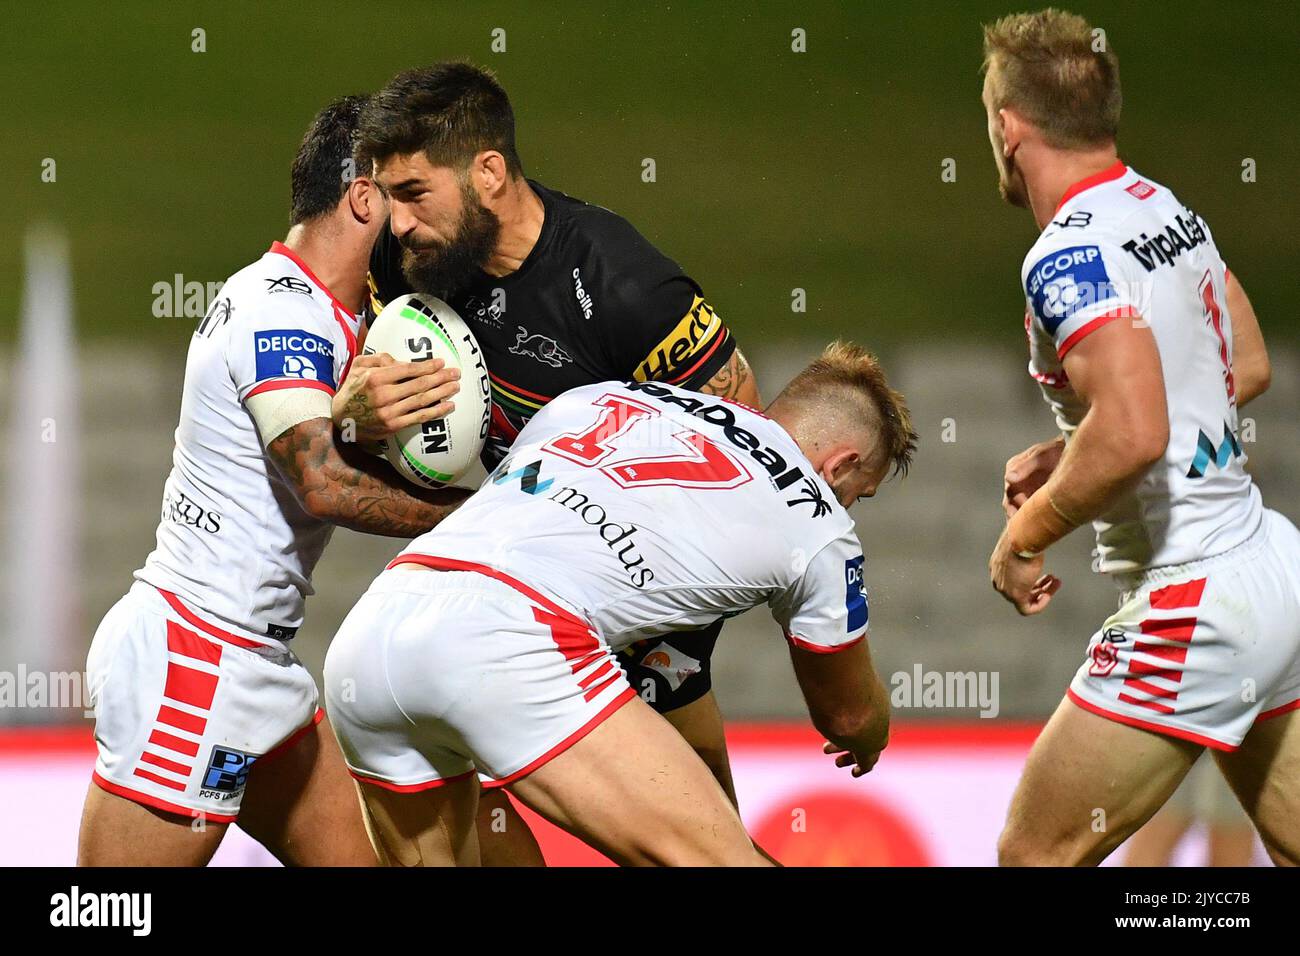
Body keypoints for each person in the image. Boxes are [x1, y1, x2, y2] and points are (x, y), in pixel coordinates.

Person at [334, 62, 769, 862]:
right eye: (386, 196)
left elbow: (746, 445)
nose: (393, 224)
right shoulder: (410, 266)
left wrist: (658, 614)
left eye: (414, 193)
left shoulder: (628, 289)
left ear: (490, 173)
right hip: (491, 604)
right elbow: (361, 407)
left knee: (700, 848)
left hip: (633, 618)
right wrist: (354, 414)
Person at [323, 343, 916, 865]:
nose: (846, 510)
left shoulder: (600, 397)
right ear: (840, 464)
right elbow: (848, 716)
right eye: (854, 496)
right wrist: (871, 737)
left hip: (376, 626)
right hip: (516, 634)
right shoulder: (816, 519)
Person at [78, 97, 467, 866]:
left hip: (256, 663)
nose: (420, 223)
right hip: (194, 658)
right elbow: (320, 481)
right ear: (364, 197)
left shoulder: (344, 316)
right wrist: (471, 517)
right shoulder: (276, 311)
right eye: (408, 196)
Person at [979, 9, 1299, 866]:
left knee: (1032, 856)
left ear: (1009, 128)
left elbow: (1133, 432)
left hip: (1196, 599)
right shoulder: (1163, 208)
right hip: (1273, 570)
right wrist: (1074, 443)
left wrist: (1026, 532)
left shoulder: (1063, 255)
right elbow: (1248, 360)